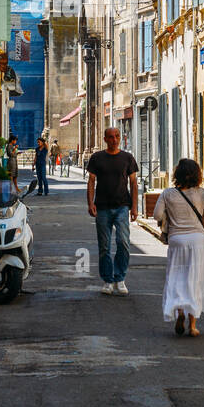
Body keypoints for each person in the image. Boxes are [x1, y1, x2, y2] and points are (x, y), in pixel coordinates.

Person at [153, 158, 204, 337]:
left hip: (177, 240)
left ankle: (179, 312)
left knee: (177, 278)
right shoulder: (202, 193)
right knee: (195, 281)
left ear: (177, 174)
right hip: (198, 241)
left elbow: (157, 214)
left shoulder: (167, 194)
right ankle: (192, 325)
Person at [87, 126, 138, 295]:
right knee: (104, 246)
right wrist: (90, 203)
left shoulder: (128, 158)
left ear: (120, 138)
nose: (114, 140)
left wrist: (135, 207)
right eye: (110, 137)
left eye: (117, 136)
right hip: (102, 207)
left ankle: (120, 278)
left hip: (122, 206)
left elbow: (134, 184)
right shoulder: (97, 158)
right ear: (105, 139)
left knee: (123, 243)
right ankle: (108, 280)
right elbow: (91, 182)